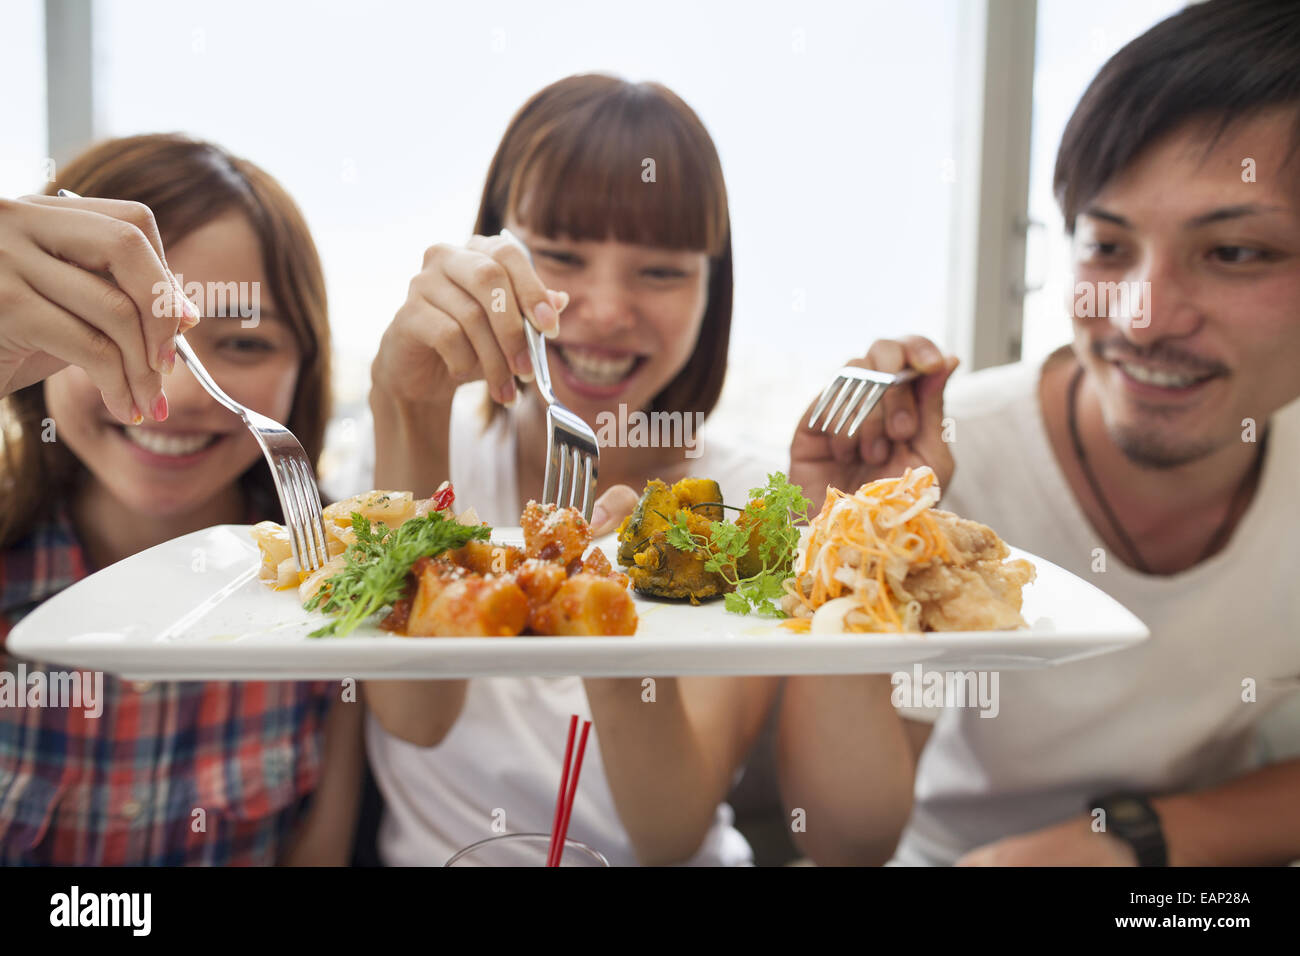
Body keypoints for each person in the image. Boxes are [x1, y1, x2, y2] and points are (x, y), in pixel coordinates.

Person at [780, 0, 1300, 866]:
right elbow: (843, 844)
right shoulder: (947, 467)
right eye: (1106, 246)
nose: (1141, 319)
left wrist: (1127, 843)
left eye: (1235, 253)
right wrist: (848, 542)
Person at [356, 74, 781, 866]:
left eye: (660, 271)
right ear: (487, 256)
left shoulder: (749, 503)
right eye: (557, 256)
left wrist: (608, 620)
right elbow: (416, 714)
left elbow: (671, 832)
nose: (606, 308)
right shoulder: (402, 450)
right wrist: (407, 408)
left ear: (712, 288)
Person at [0, 134, 362, 865]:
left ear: (307, 369)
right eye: (116, 328)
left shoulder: (342, 597)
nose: (182, 394)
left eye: (247, 346)